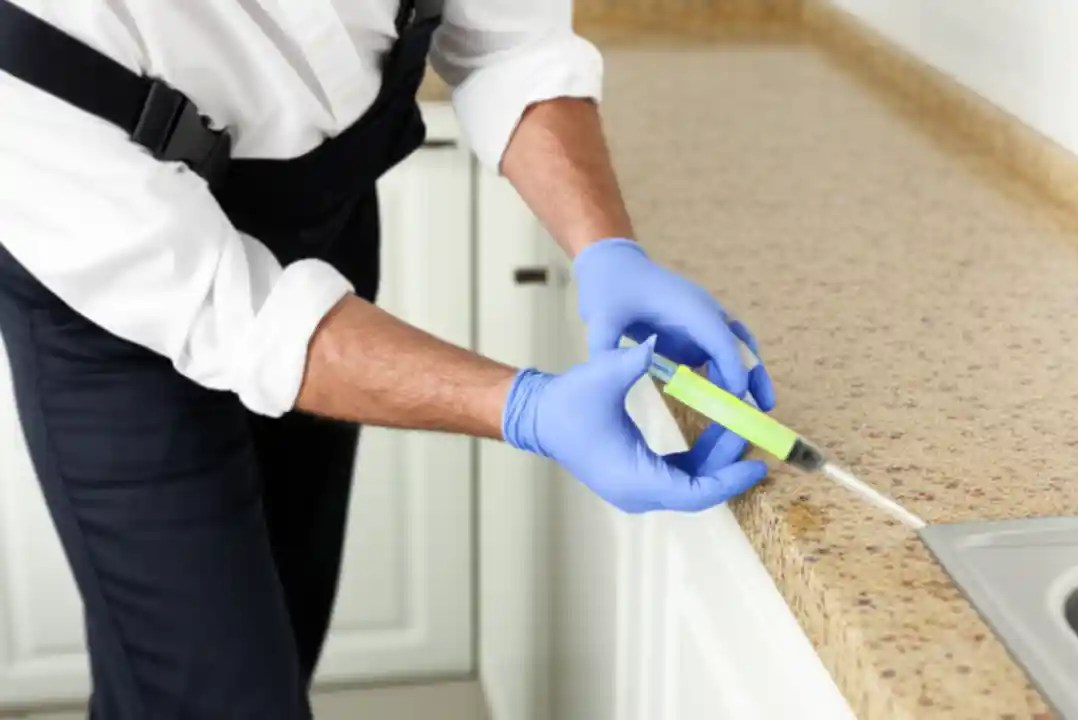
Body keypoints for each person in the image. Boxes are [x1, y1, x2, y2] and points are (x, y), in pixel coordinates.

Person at [0, 0, 776, 717]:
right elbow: (244, 320)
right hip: (111, 322)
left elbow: (510, 44)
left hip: (317, 236)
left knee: (287, 619)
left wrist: (606, 247)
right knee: (211, 694)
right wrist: (527, 409)